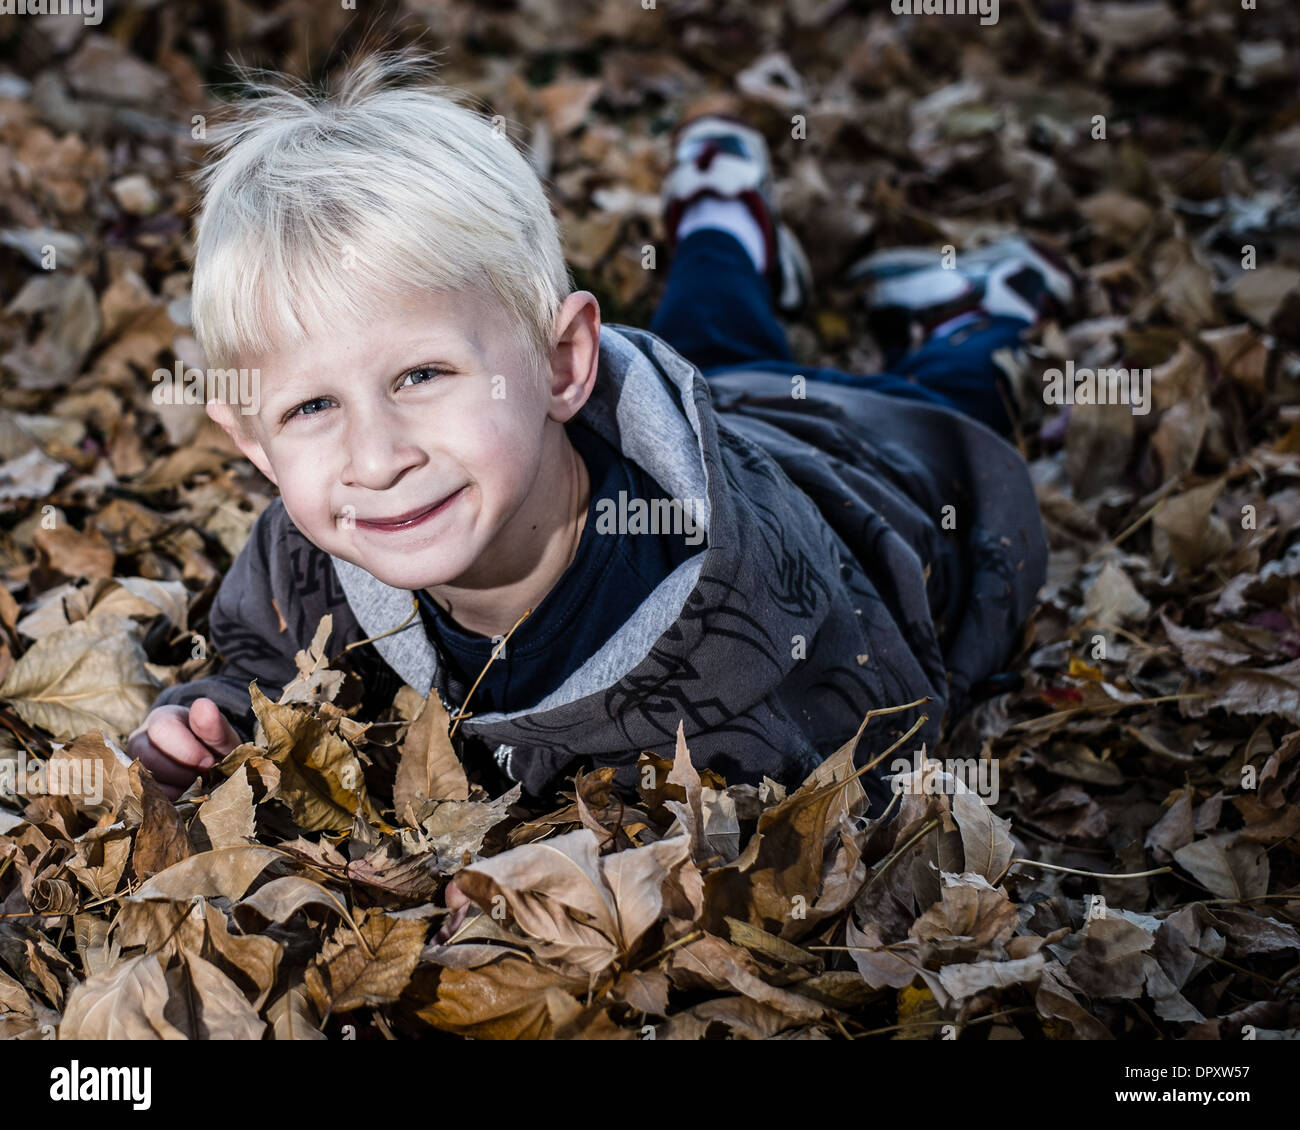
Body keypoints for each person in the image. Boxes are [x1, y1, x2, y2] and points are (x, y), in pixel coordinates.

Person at [126, 51, 1060, 825]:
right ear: (252, 442)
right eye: (310, 409)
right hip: (701, 401)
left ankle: (989, 314)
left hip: (877, 456)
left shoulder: (739, 627)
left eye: (423, 375)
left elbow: (872, 773)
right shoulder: (306, 557)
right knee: (720, 341)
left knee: (940, 392)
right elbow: (265, 664)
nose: (376, 459)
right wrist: (209, 726)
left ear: (567, 362)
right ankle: (724, 217)